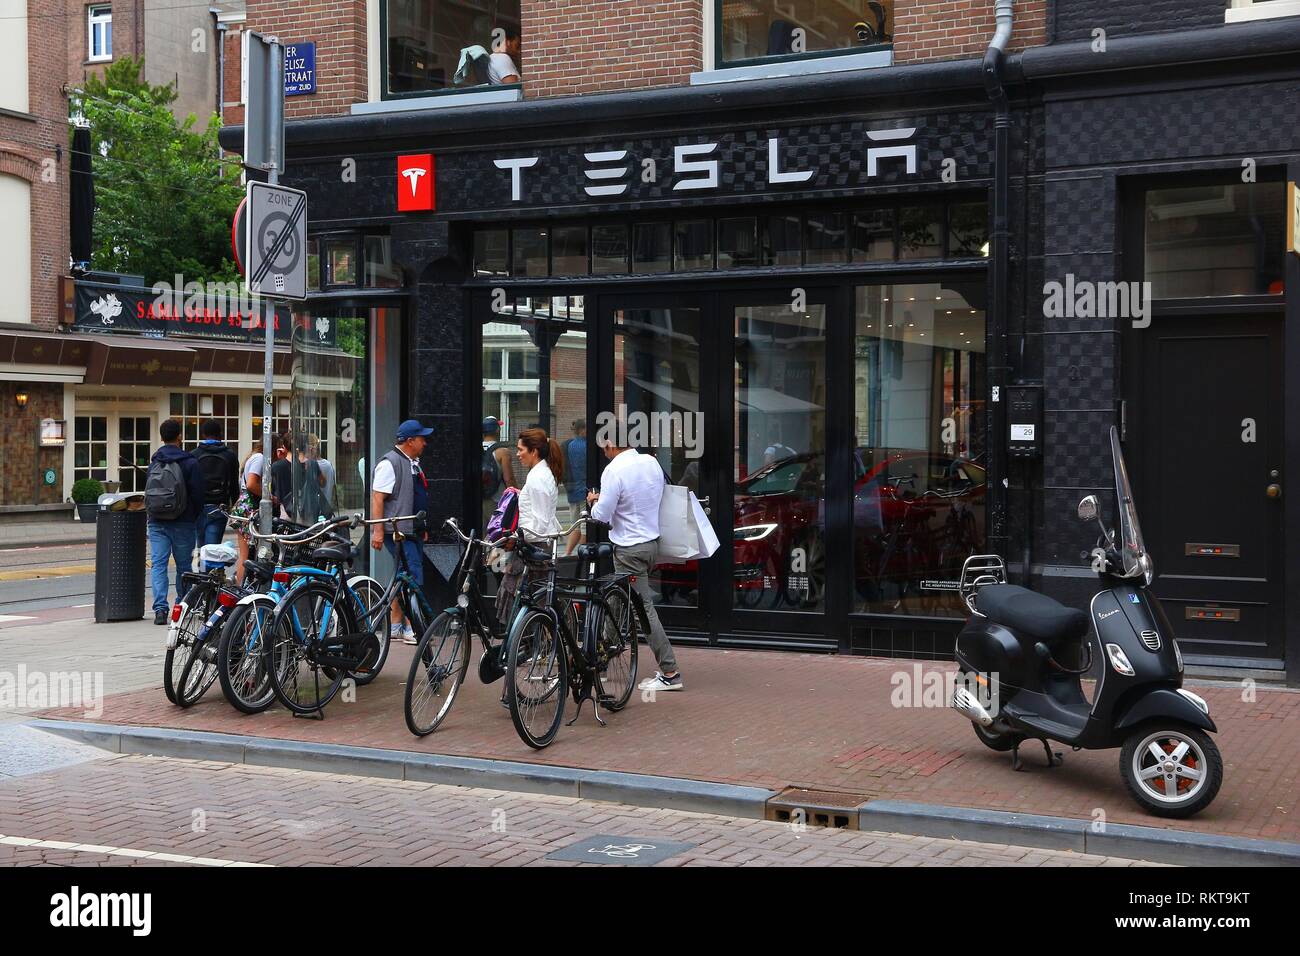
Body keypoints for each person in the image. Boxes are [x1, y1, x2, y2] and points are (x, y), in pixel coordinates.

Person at [587, 440, 682, 692]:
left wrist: (593, 503)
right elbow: (650, 495)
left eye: (603, 445)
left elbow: (602, 515)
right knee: (616, 602)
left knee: (643, 609)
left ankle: (670, 671)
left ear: (610, 443)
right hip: (650, 544)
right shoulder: (650, 462)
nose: (603, 451)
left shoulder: (614, 470)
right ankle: (602, 661)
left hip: (629, 549)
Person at [371, 419, 432, 644]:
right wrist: (378, 531)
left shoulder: (412, 462)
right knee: (412, 576)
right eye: (421, 438)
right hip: (398, 531)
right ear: (410, 441)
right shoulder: (391, 463)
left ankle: (395, 624)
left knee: (402, 576)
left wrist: (422, 528)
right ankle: (411, 628)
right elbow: (378, 498)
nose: (425, 443)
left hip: (411, 529)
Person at [495, 428, 563, 624]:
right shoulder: (541, 474)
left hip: (534, 549)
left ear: (533, 451)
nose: (517, 454)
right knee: (529, 603)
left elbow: (541, 524)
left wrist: (517, 535)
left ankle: (527, 648)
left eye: (520, 449)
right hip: (535, 547)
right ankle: (527, 647)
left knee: (521, 602)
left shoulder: (538, 478)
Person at [145, 418, 206, 625]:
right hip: (183, 521)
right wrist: (193, 515)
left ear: (162, 437)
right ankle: (181, 607)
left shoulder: (155, 461)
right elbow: (198, 495)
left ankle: (160, 610)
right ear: (180, 436)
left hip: (157, 521)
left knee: (158, 565)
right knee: (184, 566)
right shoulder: (190, 462)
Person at [192, 420, 239, 569]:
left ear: (203, 434)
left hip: (198, 507)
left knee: (201, 547)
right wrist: (234, 506)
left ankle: (202, 582)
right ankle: (211, 585)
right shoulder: (229, 455)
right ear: (220, 435)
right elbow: (234, 485)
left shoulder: (194, 454)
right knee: (213, 549)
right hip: (219, 506)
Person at [230, 437, 275, 586]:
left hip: (243, 507)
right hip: (248, 508)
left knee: (246, 553)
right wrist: (270, 498)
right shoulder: (260, 458)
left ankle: (240, 585)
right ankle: (240, 587)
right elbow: (251, 484)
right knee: (247, 554)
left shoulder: (254, 457)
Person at [482, 416, 515, 532]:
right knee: (496, 535)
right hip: (498, 501)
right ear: (497, 430)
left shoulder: (475, 449)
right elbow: (509, 479)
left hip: (479, 499)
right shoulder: (502, 452)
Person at [563, 418, 587, 555]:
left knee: (575, 525)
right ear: (582, 430)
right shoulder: (587, 446)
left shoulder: (568, 445)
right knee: (585, 527)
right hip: (584, 490)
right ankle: (581, 557)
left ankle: (567, 554)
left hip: (571, 491)